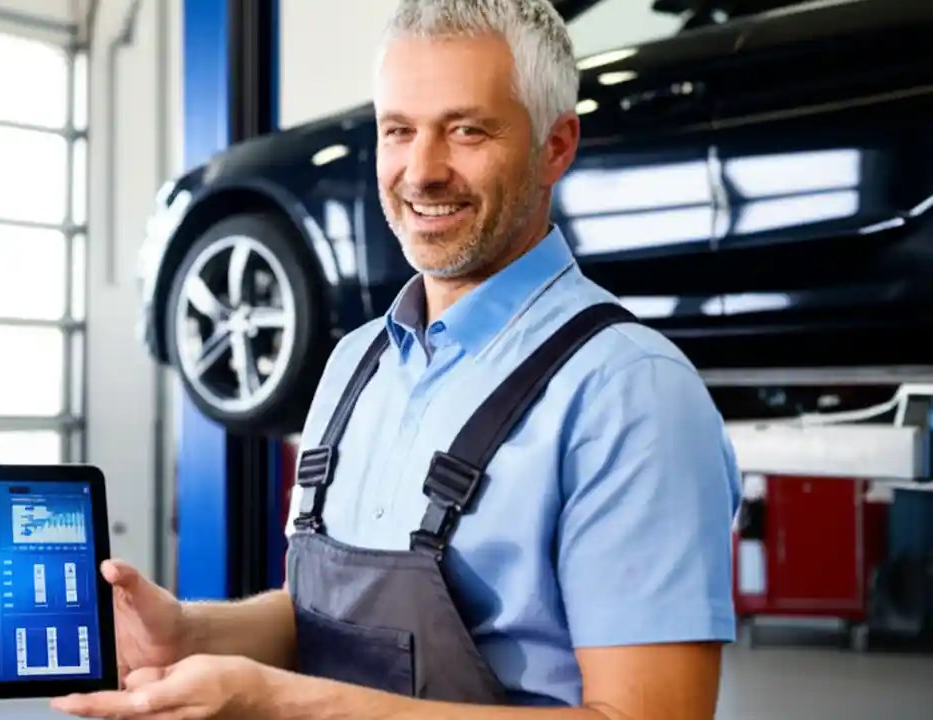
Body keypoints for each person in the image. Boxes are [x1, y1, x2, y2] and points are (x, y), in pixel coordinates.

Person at [52, 0, 741, 717]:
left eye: (467, 130)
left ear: (556, 146)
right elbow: (329, 621)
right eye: (398, 131)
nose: (422, 171)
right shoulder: (357, 365)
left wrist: (279, 703)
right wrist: (190, 632)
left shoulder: (629, 393)